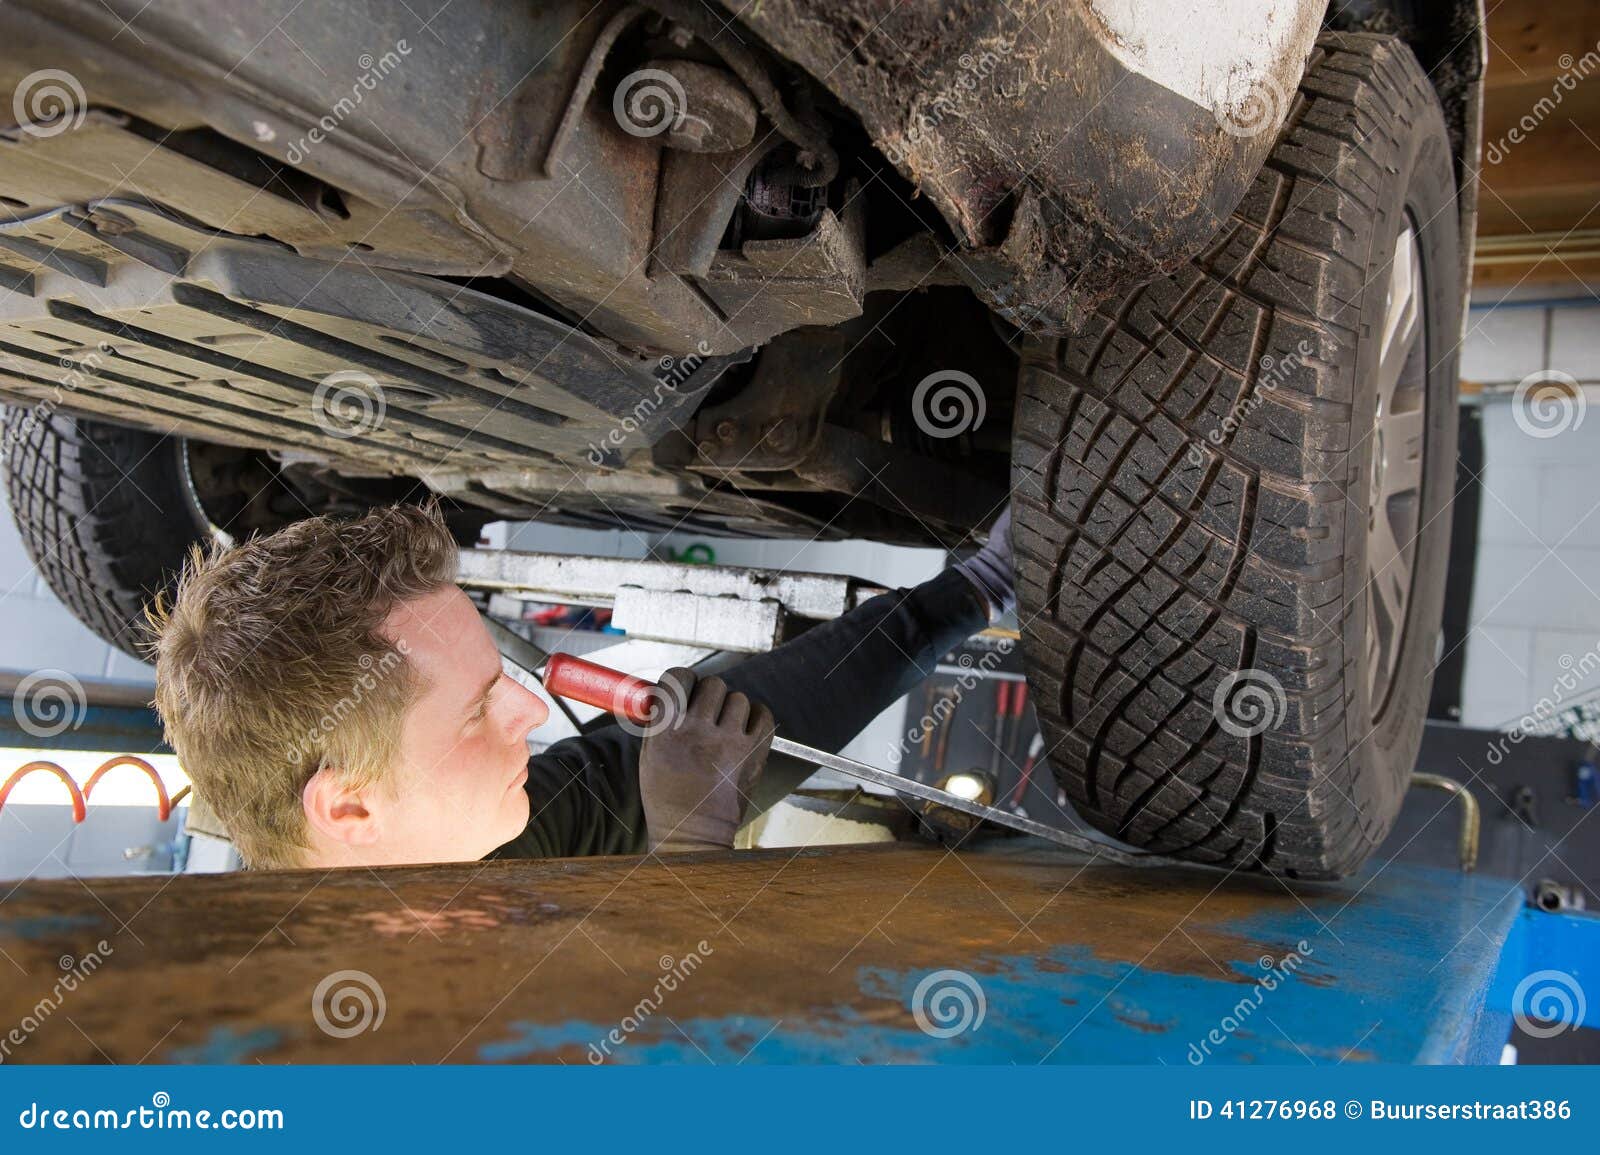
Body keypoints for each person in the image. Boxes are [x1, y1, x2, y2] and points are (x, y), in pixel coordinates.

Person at [149, 503, 1015, 869]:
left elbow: (689, 754)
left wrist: (975, 586)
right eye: (478, 709)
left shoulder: (487, 839)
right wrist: (688, 858)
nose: (532, 711)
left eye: (503, 679)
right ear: (350, 809)